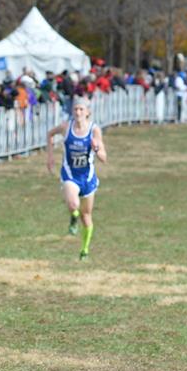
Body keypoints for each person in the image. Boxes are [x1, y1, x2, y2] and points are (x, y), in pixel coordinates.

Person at [45, 98, 106, 259]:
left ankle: (84, 250)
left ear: (88, 112)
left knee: (86, 216)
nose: (78, 113)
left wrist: (96, 148)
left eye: (81, 109)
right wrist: (50, 157)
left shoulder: (94, 130)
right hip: (70, 174)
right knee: (73, 204)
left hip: (87, 177)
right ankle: (73, 217)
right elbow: (50, 134)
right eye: (75, 109)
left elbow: (103, 158)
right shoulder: (66, 127)